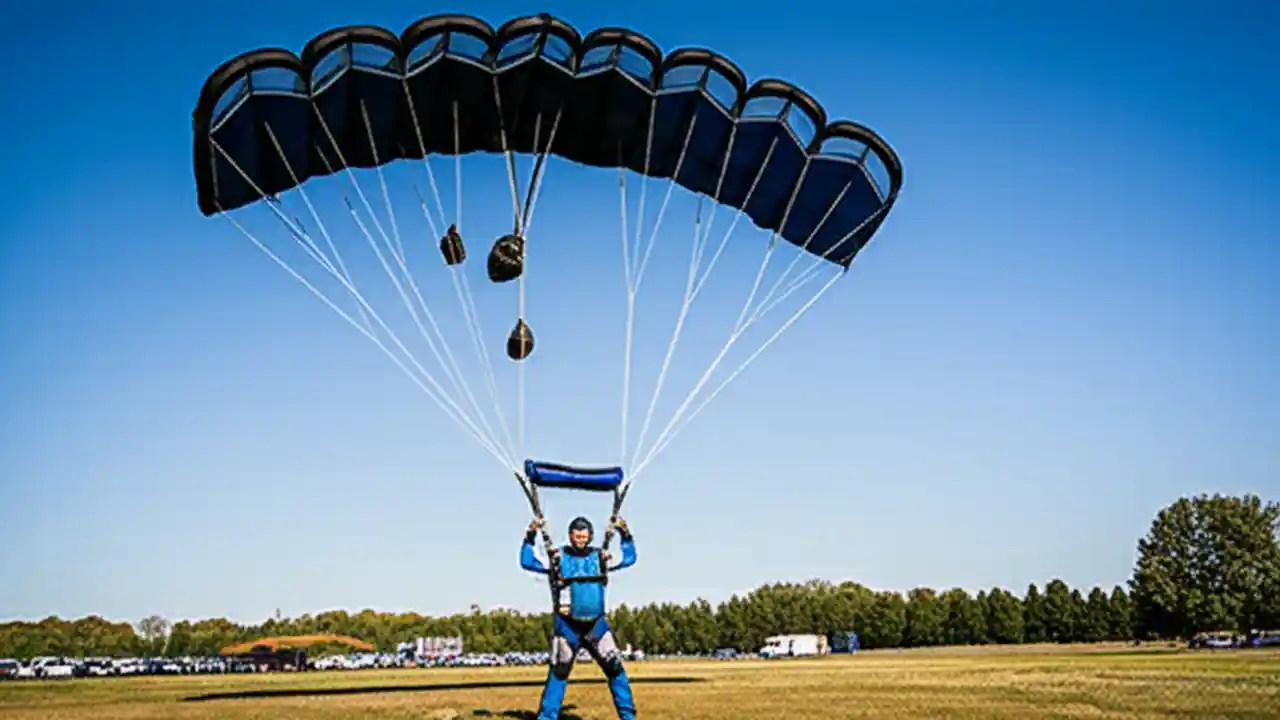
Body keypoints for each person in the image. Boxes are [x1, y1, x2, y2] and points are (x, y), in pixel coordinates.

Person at [521, 515, 637, 720]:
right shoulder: (557, 558)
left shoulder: (601, 558)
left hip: (596, 626)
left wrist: (624, 534)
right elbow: (527, 561)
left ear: (591, 536)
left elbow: (629, 559)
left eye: (584, 536)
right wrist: (530, 535)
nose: (580, 539)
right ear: (570, 536)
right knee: (559, 672)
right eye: (577, 536)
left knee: (615, 668)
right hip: (567, 628)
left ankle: (628, 716)